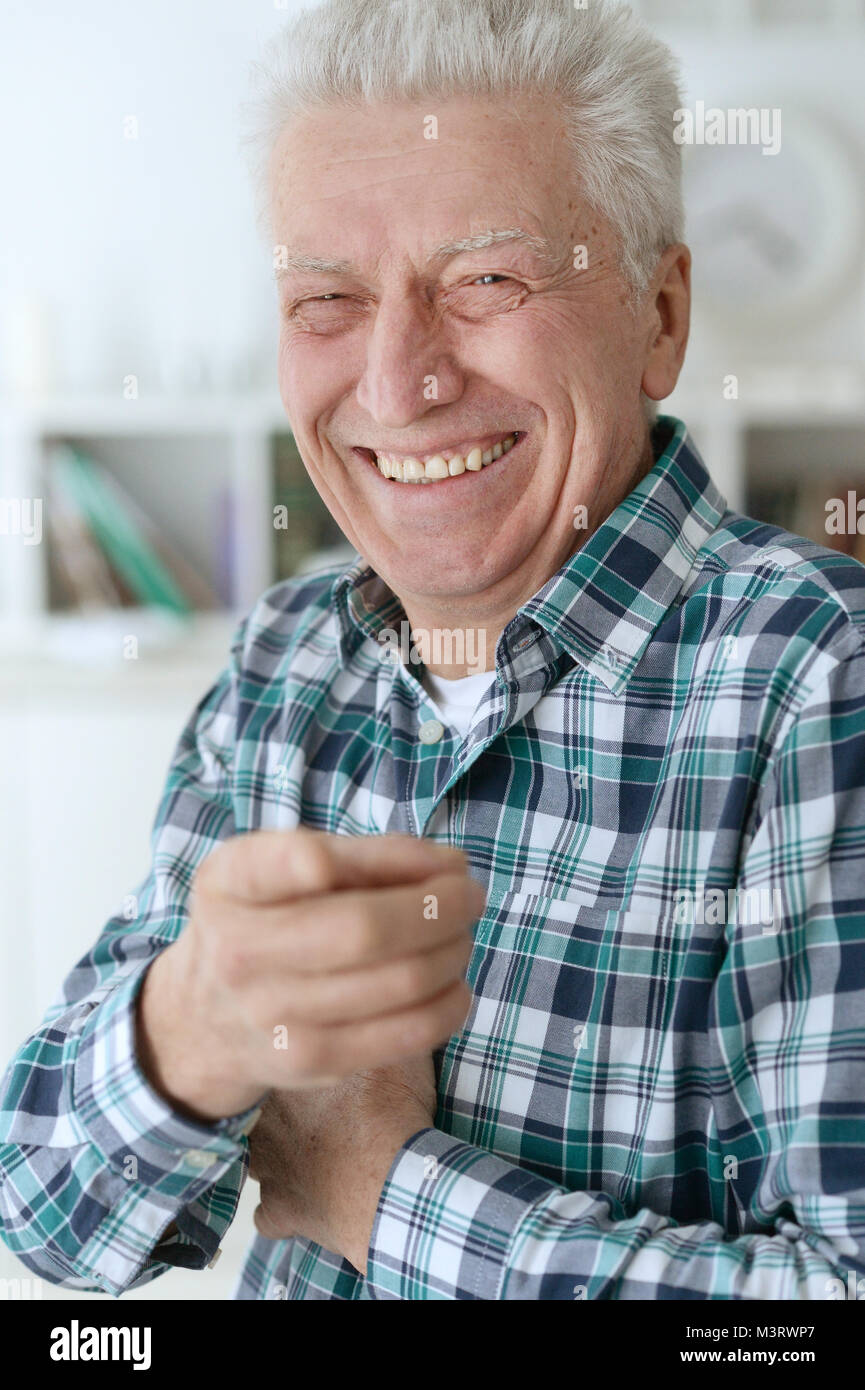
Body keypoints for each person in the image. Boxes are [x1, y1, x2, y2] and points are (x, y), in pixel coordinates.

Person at [2, 0, 864, 1300]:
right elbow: (49, 1218)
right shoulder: (284, 661)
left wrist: (381, 1192)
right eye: (327, 299)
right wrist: (189, 1027)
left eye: (485, 281)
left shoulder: (818, 680)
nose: (398, 382)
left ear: (660, 315)